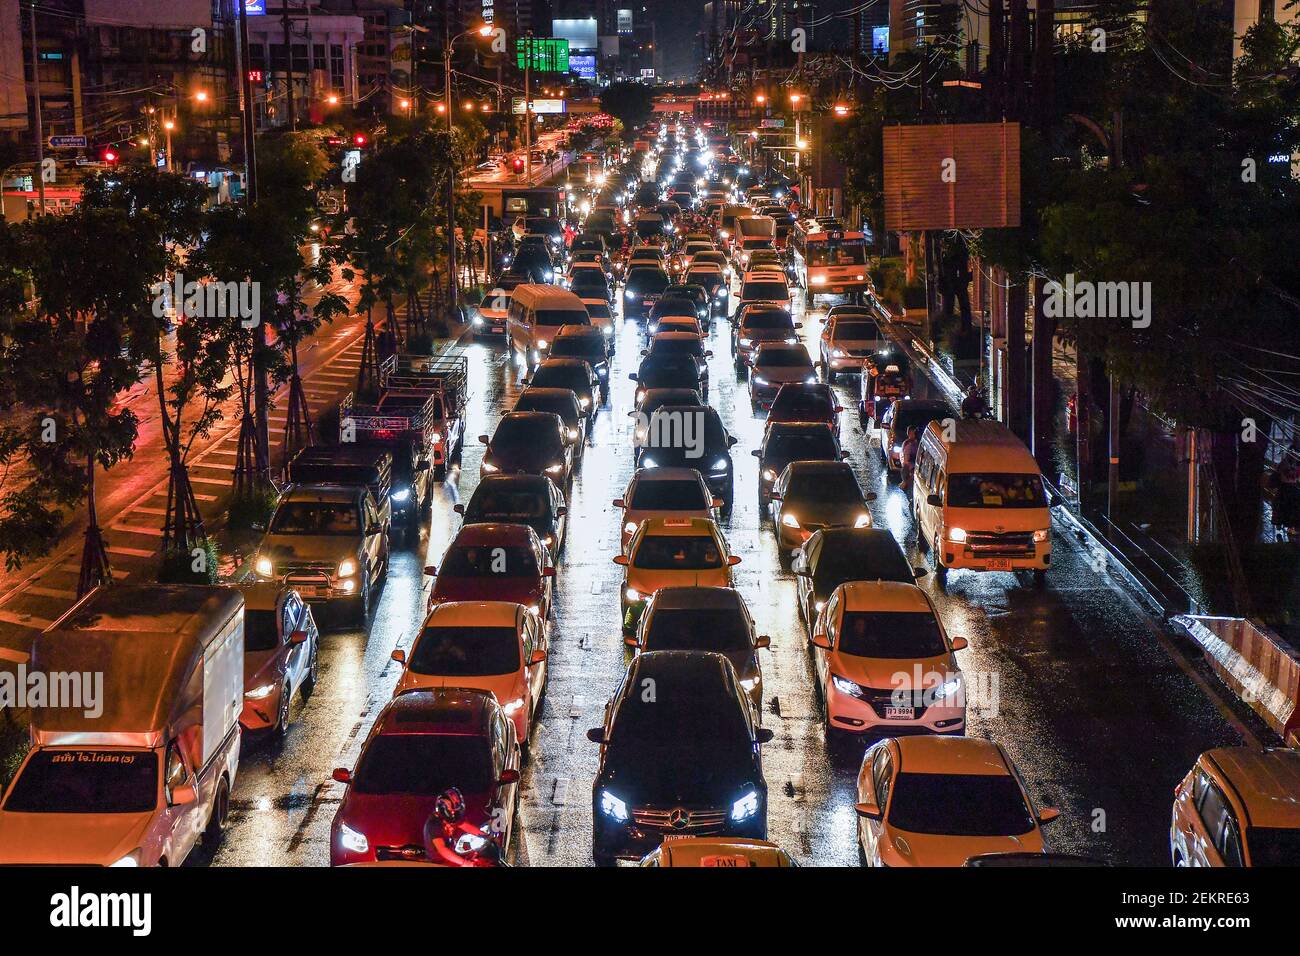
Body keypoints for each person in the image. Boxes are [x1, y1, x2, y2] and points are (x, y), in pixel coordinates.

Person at [1274, 441, 1300, 540]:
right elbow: (1289, 475)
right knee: (1285, 508)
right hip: (1286, 490)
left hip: (1291, 489)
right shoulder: (1285, 463)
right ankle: (1283, 527)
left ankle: (1290, 528)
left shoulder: (1291, 463)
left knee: (1291, 510)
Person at [900, 426, 920, 493]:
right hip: (909, 470)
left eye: (914, 433)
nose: (913, 435)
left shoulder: (916, 443)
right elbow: (906, 460)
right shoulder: (908, 444)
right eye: (911, 433)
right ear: (908, 434)